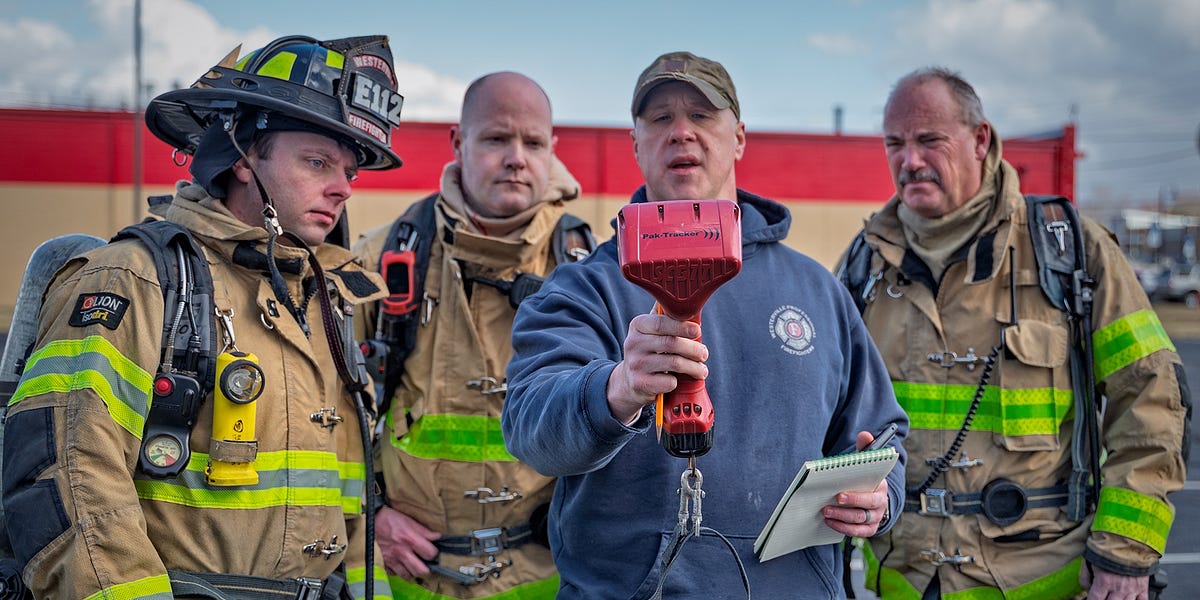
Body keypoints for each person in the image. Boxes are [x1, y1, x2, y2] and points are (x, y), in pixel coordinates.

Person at [2, 35, 404, 599]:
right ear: (242, 156)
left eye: (349, 172)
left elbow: (351, 513)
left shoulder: (324, 300)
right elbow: (71, 478)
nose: (341, 189)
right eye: (317, 162)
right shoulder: (134, 278)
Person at [500, 51, 908, 598]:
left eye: (702, 114)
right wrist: (618, 390)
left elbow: (884, 436)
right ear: (637, 143)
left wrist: (880, 499)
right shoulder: (583, 288)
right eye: (661, 118)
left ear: (738, 136)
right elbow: (531, 431)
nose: (682, 133)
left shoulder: (817, 291)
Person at [840, 67, 1190, 599]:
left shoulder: (1072, 251)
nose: (909, 162)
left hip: (1039, 582)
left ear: (980, 139)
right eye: (895, 144)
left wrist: (1124, 553)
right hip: (902, 583)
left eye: (929, 140)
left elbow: (1152, 401)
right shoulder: (864, 266)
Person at [353, 71, 593, 598]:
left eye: (532, 143)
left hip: (547, 579)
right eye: (495, 139)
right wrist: (368, 519)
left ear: (552, 149)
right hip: (409, 577)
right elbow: (317, 422)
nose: (516, 157)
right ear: (459, 143)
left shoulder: (591, 272)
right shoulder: (381, 263)